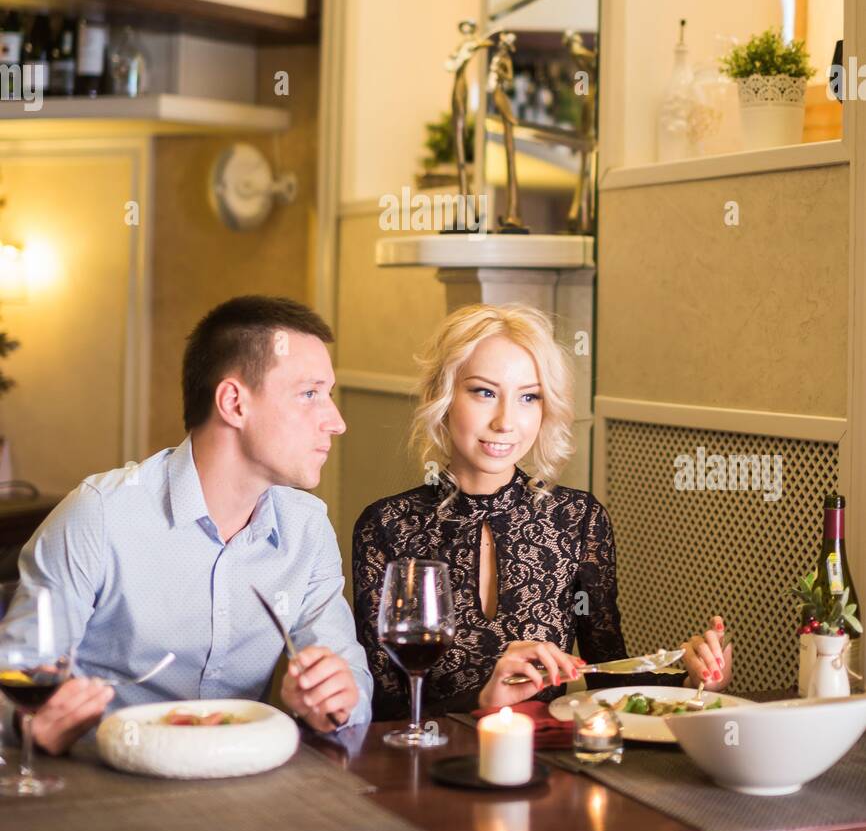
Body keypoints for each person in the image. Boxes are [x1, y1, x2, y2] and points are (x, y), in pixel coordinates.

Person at [0, 296, 372, 755]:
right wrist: (29, 724)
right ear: (234, 403)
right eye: (310, 394)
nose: (336, 422)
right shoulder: (98, 515)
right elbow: (15, 679)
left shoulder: (307, 528)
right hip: (101, 784)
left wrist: (336, 698)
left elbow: (350, 678)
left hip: (239, 787)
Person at [352, 303, 732, 719]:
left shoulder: (578, 518)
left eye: (528, 397)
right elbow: (384, 710)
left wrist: (690, 682)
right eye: (484, 392)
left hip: (549, 763)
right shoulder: (387, 526)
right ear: (440, 397)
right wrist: (482, 701)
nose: (505, 421)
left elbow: (607, 675)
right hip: (430, 767)